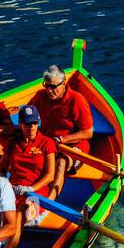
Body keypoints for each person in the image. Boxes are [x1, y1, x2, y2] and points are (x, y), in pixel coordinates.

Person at [0, 103, 56, 248]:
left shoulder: (47, 143)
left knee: (17, 217)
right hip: (13, 191)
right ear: (21, 125)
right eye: (28, 124)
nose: (32, 128)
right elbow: (1, 169)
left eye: (35, 123)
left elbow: (50, 175)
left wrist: (30, 189)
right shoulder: (13, 143)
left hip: (36, 195)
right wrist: (4, 183)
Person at [31, 64, 94, 200]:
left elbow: (88, 133)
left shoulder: (77, 100)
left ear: (64, 84)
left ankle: (49, 202)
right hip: (49, 143)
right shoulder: (40, 96)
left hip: (73, 146)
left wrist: (62, 140)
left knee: (60, 163)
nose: (49, 90)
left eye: (53, 87)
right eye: (46, 86)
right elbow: (27, 113)